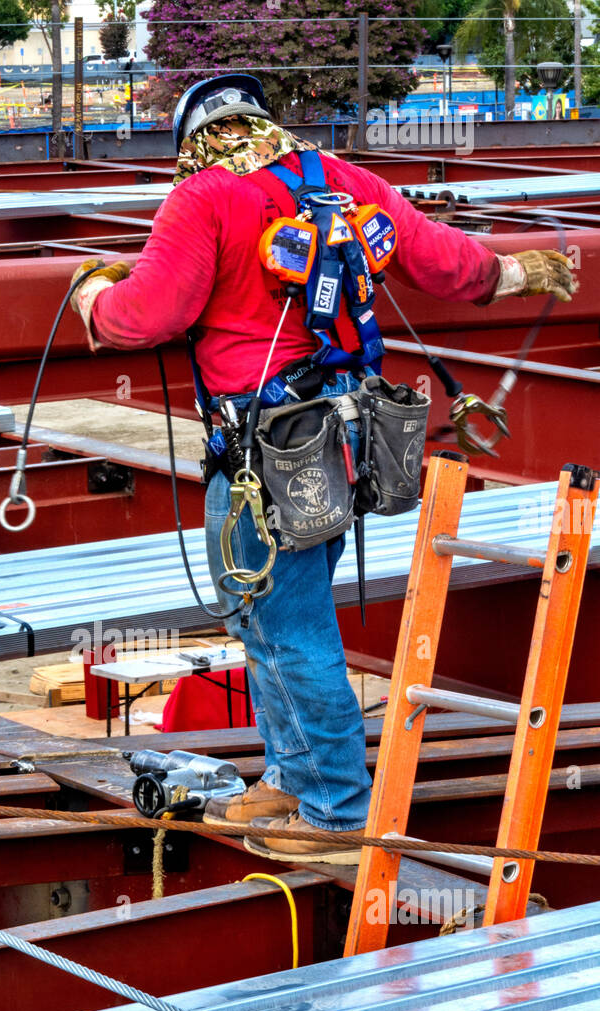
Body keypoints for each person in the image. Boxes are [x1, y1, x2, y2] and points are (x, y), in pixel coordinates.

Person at [71, 74, 577, 865]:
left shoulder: (203, 196)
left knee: (286, 626)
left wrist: (92, 296)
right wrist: (513, 273)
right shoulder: (342, 180)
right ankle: (290, 776)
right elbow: (445, 262)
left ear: (193, 138)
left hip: (264, 451)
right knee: (268, 619)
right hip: (343, 439)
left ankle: (336, 811)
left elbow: (150, 314)